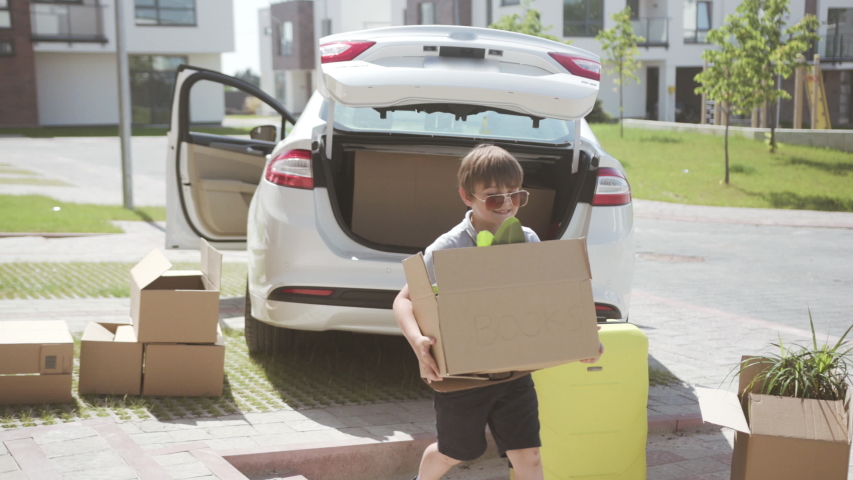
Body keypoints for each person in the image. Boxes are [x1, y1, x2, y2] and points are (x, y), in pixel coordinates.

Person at [393, 144, 604, 480]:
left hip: (514, 375)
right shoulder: (449, 247)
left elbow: (549, 299)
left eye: (516, 195)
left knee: (528, 456)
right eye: (494, 197)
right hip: (463, 378)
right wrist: (418, 341)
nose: (507, 204)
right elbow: (403, 300)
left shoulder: (528, 240)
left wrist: (581, 338)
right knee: (455, 452)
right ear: (467, 197)